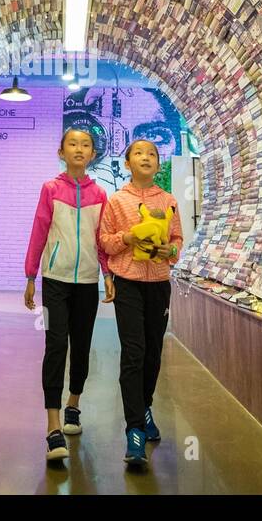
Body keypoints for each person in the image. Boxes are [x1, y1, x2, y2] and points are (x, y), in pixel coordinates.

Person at [24, 127, 114, 462]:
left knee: (82, 344)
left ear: (93, 154)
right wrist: (30, 275)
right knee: (55, 344)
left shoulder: (101, 194)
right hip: (55, 280)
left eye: (85, 145)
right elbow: (39, 230)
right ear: (61, 151)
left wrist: (107, 274)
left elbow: (103, 240)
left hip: (88, 282)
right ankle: (52, 426)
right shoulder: (50, 189)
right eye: (72, 144)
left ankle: (73, 404)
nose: (79, 149)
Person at [99, 139, 183, 468]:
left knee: (152, 353)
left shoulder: (169, 200)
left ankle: (145, 406)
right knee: (133, 353)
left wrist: (170, 252)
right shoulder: (117, 201)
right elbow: (105, 241)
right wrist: (128, 238)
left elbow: (176, 240)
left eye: (151, 154)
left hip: (159, 283)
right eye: (139, 153)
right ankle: (134, 429)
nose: (146, 157)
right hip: (129, 284)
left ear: (157, 165)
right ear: (127, 162)